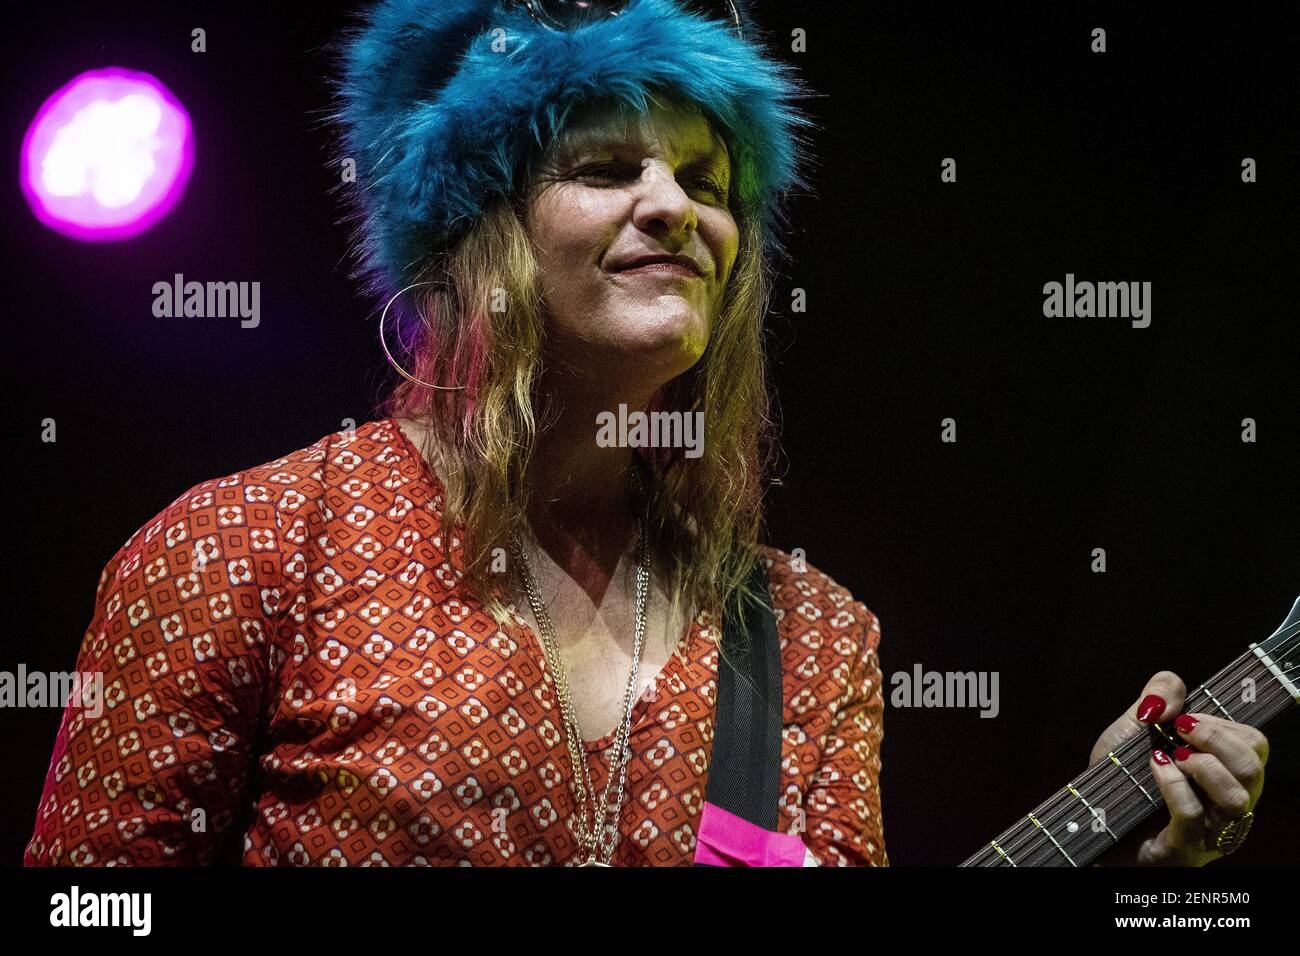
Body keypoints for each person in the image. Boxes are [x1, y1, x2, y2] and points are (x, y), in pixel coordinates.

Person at [24, 0, 1266, 867]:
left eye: (708, 181)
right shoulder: (240, 543)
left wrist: (1138, 857)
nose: (672, 206)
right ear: (477, 228)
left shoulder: (815, 639)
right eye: (607, 165)